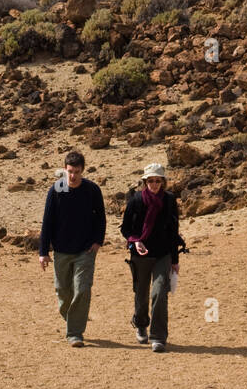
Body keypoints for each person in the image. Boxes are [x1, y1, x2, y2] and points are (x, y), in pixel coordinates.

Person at [38, 149, 105, 347]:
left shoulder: (92, 190)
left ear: (83, 171)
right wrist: (43, 252)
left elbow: (100, 217)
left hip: (85, 250)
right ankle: (72, 318)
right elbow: (47, 221)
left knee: (82, 289)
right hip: (61, 250)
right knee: (62, 291)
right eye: (69, 171)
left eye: (76, 171)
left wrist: (97, 241)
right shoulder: (57, 189)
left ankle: (75, 333)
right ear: (65, 170)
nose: (73, 176)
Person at [120, 162, 184, 353]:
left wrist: (174, 260)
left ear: (163, 182)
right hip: (140, 254)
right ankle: (140, 324)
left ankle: (158, 337)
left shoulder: (169, 200)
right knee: (141, 293)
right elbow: (125, 229)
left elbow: (173, 230)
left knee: (159, 293)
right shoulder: (136, 200)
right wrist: (135, 241)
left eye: (158, 181)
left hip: (162, 254)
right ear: (145, 181)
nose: (154, 184)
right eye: (151, 181)